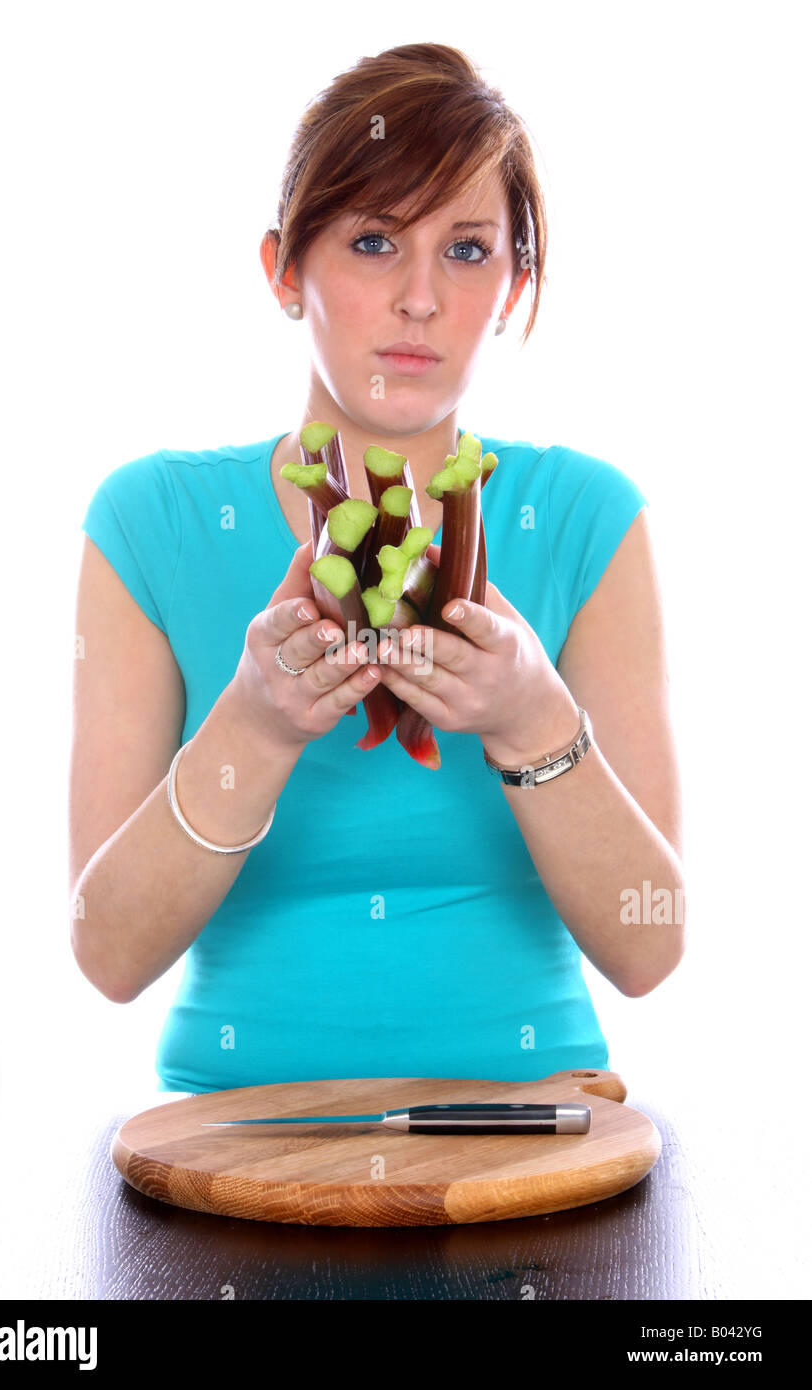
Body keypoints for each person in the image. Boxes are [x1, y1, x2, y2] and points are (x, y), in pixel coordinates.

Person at [69, 42, 685, 1096]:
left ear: (513, 283)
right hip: (234, 1153)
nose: (416, 299)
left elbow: (647, 947)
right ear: (280, 268)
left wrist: (528, 716)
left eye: (465, 249)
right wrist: (255, 723)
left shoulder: (586, 516)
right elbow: (109, 955)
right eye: (370, 241)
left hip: (531, 1144)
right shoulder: (151, 519)